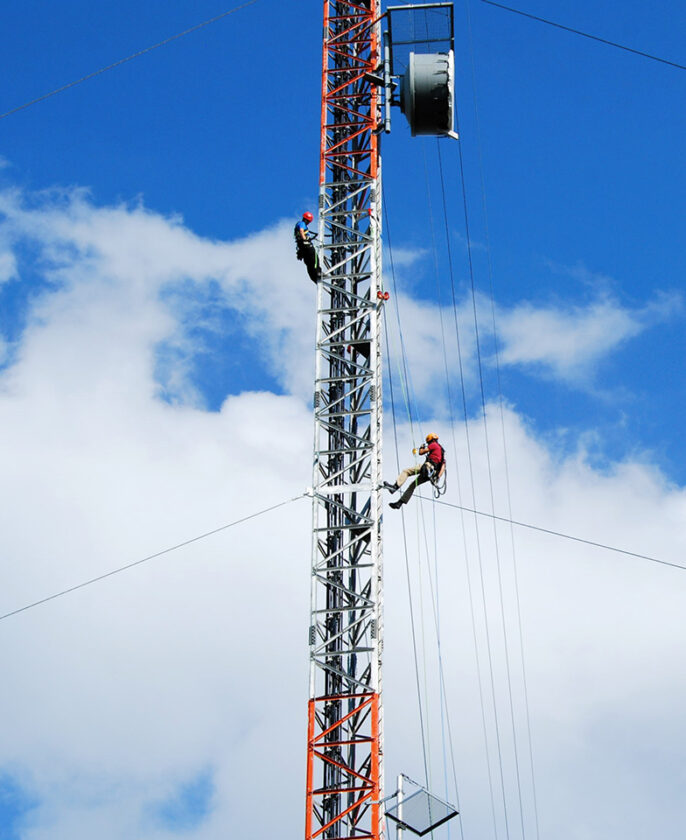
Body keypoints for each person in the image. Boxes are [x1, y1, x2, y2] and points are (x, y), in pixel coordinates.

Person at [384, 433, 445, 509]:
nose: (428, 444)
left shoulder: (433, 445)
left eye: (428, 442)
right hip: (432, 474)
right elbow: (443, 467)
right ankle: (399, 503)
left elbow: (421, 452)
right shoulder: (442, 452)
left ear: (431, 440)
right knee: (413, 485)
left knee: (406, 471)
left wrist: (421, 448)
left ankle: (394, 487)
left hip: (427, 467)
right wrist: (437, 477)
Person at [294, 211, 321, 283]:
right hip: (306, 245)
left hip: (302, 247)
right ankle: (318, 273)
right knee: (314, 258)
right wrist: (305, 239)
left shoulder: (300, 224)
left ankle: (313, 277)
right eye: (308, 221)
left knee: (308, 263)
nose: (308, 223)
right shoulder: (302, 224)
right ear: (306, 220)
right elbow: (301, 230)